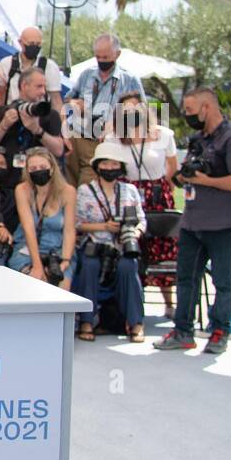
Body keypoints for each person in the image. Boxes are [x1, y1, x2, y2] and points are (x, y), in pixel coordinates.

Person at [154, 87, 231, 354]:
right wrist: (180, 176)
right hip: (192, 222)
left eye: (189, 110)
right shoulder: (199, 139)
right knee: (186, 278)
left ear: (206, 108)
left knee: (222, 281)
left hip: (223, 224)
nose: (186, 115)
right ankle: (183, 331)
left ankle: (219, 332)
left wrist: (207, 181)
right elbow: (187, 173)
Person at [72, 141, 147, 341]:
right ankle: (87, 321)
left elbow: (141, 220)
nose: (109, 168)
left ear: (120, 167)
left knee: (129, 267)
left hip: (122, 247)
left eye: (114, 164)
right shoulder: (85, 191)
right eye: (105, 164)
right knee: (89, 266)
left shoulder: (130, 190)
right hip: (95, 244)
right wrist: (104, 227)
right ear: (97, 166)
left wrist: (133, 234)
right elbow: (77, 223)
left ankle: (136, 322)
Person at [114, 98, 178, 317]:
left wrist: (159, 185)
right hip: (129, 194)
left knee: (162, 247)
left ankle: (169, 302)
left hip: (157, 194)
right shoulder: (116, 137)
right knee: (133, 246)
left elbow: (172, 166)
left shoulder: (164, 135)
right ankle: (134, 303)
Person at [11, 147, 76, 289]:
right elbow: (28, 228)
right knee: (36, 283)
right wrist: (37, 265)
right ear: (27, 171)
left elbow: (69, 230)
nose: (38, 170)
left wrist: (65, 260)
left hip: (58, 250)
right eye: (33, 168)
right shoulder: (22, 190)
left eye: (42, 167)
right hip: (27, 249)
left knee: (62, 288)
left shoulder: (68, 191)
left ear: (52, 168)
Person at [68, 33, 144, 141]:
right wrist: (74, 103)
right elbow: (68, 98)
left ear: (117, 54)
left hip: (110, 141)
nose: (101, 61)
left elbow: (141, 114)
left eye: (105, 57)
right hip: (78, 137)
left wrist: (114, 124)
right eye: (98, 57)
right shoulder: (86, 74)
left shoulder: (129, 80)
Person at [0, 67, 66, 163]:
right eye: (39, 86)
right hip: (8, 170)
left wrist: (38, 131)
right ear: (24, 85)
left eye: (44, 87)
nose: (43, 92)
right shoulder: (4, 111)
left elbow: (59, 151)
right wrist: (3, 126)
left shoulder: (49, 114)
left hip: (37, 171)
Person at [0, 26, 62, 109]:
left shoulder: (50, 67)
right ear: (20, 42)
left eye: (38, 44)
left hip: (40, 116)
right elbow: (0, 97)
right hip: (12, 115)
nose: (35, 47)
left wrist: (61, 121)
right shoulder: (6, 64)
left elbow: (56, 100)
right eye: (31, 44)